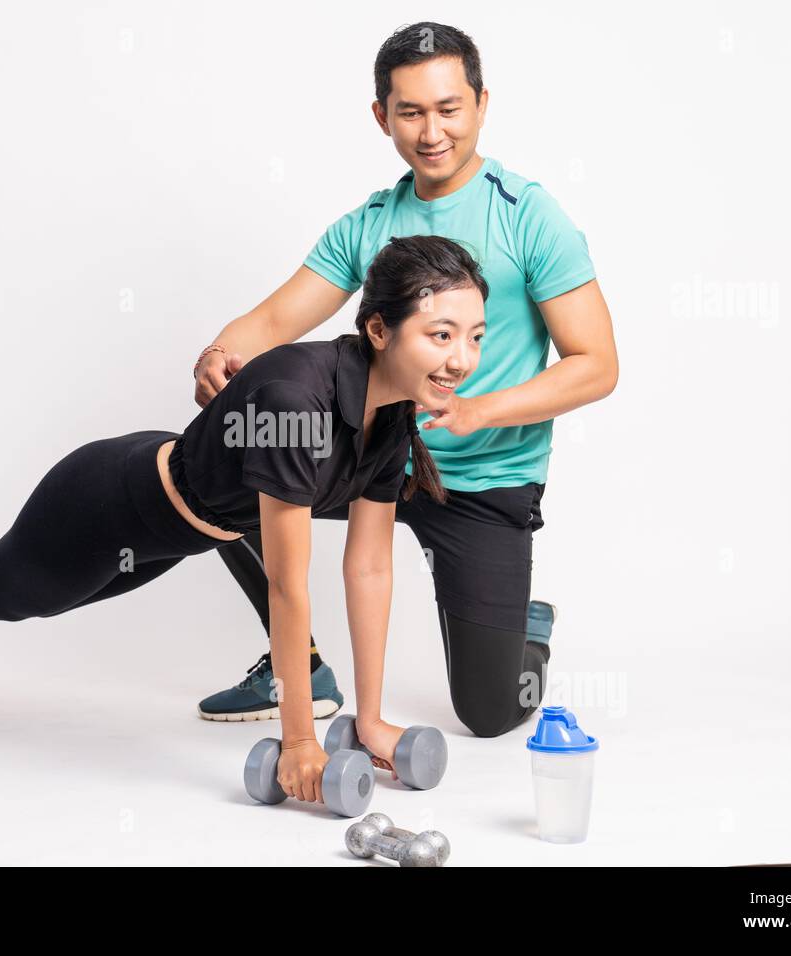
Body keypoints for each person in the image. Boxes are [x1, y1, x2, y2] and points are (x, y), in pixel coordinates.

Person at [0, 234, 489, 804]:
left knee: (7, 597)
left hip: (177, 533)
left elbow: (366, 566)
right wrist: (300, 741)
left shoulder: (394, 411)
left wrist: (368, 725)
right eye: (441, 335)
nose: (461, 359)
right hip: (107, 505)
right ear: (379, 329)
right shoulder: (294, 402)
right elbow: (287, 585)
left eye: (475, 337)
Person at [193, 21, 619, 738]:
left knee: (490, 714)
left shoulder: (531, 217)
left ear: (482, 104)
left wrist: (482, 411)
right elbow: (273, 320)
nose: (432, 131)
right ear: (381, 116)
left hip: (482, 482)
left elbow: (597, 364)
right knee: (215, 469)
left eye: (449, 108)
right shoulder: (369, 224)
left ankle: (524, 630)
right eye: (411, 111)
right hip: (372, 463)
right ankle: (299, 660)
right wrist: (219, 352)